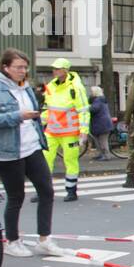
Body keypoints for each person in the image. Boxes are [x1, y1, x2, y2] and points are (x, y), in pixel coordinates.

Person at [0, 49, 61, 257]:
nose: (23, 71)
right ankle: (12, 241)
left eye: (25, 67)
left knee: (47, 191)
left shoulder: (25, 88)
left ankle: (45, 239)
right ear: (5, 67)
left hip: (31, 146)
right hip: (8, 151)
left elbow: (31, 116)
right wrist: (18, 116)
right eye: (18, 67)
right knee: (16, 196)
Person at [40, 58, 90, 202]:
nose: (54, 71)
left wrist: (84, 131)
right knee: (44, 161)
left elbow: (83, 111)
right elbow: (47, 108)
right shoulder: (50, 86)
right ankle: (44, 191)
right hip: (51, 131)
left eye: (57, 68)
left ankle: (71, 191)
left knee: (70, 161)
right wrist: (39, 123)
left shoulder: (76, 87)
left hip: (70, 132)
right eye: (54, 68)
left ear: (65, 70)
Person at [88, 86, 115, 160]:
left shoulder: (98, 100)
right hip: (100, 123)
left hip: (102, 123)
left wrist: (87, 107)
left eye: (92, 92)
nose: (91, 93)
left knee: (102, 141)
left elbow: (94, 109)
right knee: (98, 140)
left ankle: (106, 156)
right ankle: (101, 154)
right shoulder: (100, 99)